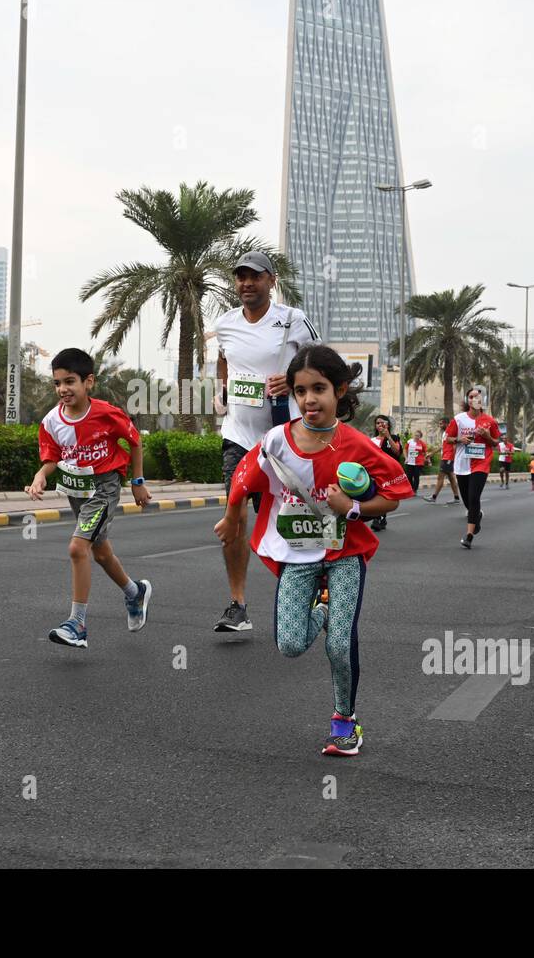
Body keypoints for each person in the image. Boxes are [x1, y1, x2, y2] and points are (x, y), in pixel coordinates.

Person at [214, 345, 412, 756]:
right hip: (297, 554)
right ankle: (321, 612)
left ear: (339, 390)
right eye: (300, 391)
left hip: (345, 553)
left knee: (339, 644)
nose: (308, 400)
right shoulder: (276, 440)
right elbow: (243, 478)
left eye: (318, 389)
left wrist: (353, 507)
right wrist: (233, 516)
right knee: (288, 645)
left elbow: (394, 494)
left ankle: (345, 721)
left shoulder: (357, 445)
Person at [212, 251, 319, 633]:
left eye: (254, 277)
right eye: (240, 277)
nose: (246, 284)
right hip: (238, 438)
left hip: (284, 441)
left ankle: (308, 594)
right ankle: (237, 604)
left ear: (271, 280)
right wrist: (222, 388)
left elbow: (320, 364)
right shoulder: (224, 324)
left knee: (288, 522)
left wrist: (291, 382)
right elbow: (224, 358)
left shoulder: (292, 321)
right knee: (235, 518)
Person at [27, 348, 152, 648]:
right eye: (57, 383)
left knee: (76, 547)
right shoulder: (51, 421)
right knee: (101, 553)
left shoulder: (106, 414)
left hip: (104, 488)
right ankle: (135, 593)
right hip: (76, 491)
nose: (63, 389)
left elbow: (134, 442)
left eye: (70, 381)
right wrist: (40, 476)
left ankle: (77, 624)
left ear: (89, 382)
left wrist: (137, 482)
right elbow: (52, 456)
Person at [447, 385, 500, 549]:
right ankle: (476, 516)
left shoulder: (489, 421)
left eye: (477, 396)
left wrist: (487, 436)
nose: (474, 399)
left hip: (481, 463)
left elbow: (496, 443)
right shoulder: (459, 419)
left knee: (474, 497)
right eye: (471, 396)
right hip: (462, 463)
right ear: (467, 400)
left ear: (482, 400)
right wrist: (459, 439)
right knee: (467, 500)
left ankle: (469, 535)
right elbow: (448, 438)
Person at [369, 415, 402, 531]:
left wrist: (388, 436)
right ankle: (379, 518)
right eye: (378, 423)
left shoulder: (394, 438)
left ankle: (379, 518)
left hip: (389, 472)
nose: (380, 425)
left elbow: (397, 451)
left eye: (383, 423)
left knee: (384, 495)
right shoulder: (371, 441)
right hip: (374, 472)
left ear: (388, 425)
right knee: (375, 495)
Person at [425, 421, 462, 505]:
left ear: (446, 424)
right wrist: (432, 453)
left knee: (440, 477)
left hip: (448, 457)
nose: (439, 425)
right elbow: (442, 446)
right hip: (445, 456)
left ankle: (433, 497)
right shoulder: (445, 433)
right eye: (439, 423)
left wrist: (453, 457)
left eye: (441, 423)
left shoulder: (452, 432)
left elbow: (456, 444)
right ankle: (456, 498)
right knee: (451, 478)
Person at [402, 428, 428, 500]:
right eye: (415, 435)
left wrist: (426, 458)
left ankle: (414, 490)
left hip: (418, 463)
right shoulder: (409, 442)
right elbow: (405, 449)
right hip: (409, 462)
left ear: (420, 437)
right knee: (409, 476)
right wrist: (406, 458)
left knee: (416, 476)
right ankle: (411, 489)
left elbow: (425, 452)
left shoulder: (422, 443)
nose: (416, 437)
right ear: (414, 435)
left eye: (418, 436)